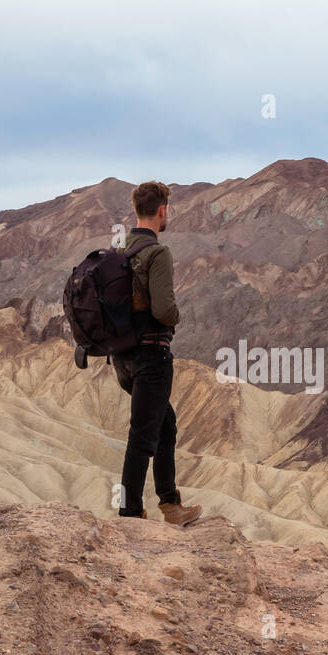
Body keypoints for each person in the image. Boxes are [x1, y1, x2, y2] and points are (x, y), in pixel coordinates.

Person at [110, 181, 201, 526]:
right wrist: (177, 315)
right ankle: (131, 511)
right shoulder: (156, 253)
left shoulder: (120, 251)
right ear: (162, 211)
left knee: (164, 422)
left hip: (122, 360)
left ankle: (169, 503)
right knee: (144, 433)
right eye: (168, 211)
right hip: (152, 357)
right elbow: (164, 310)